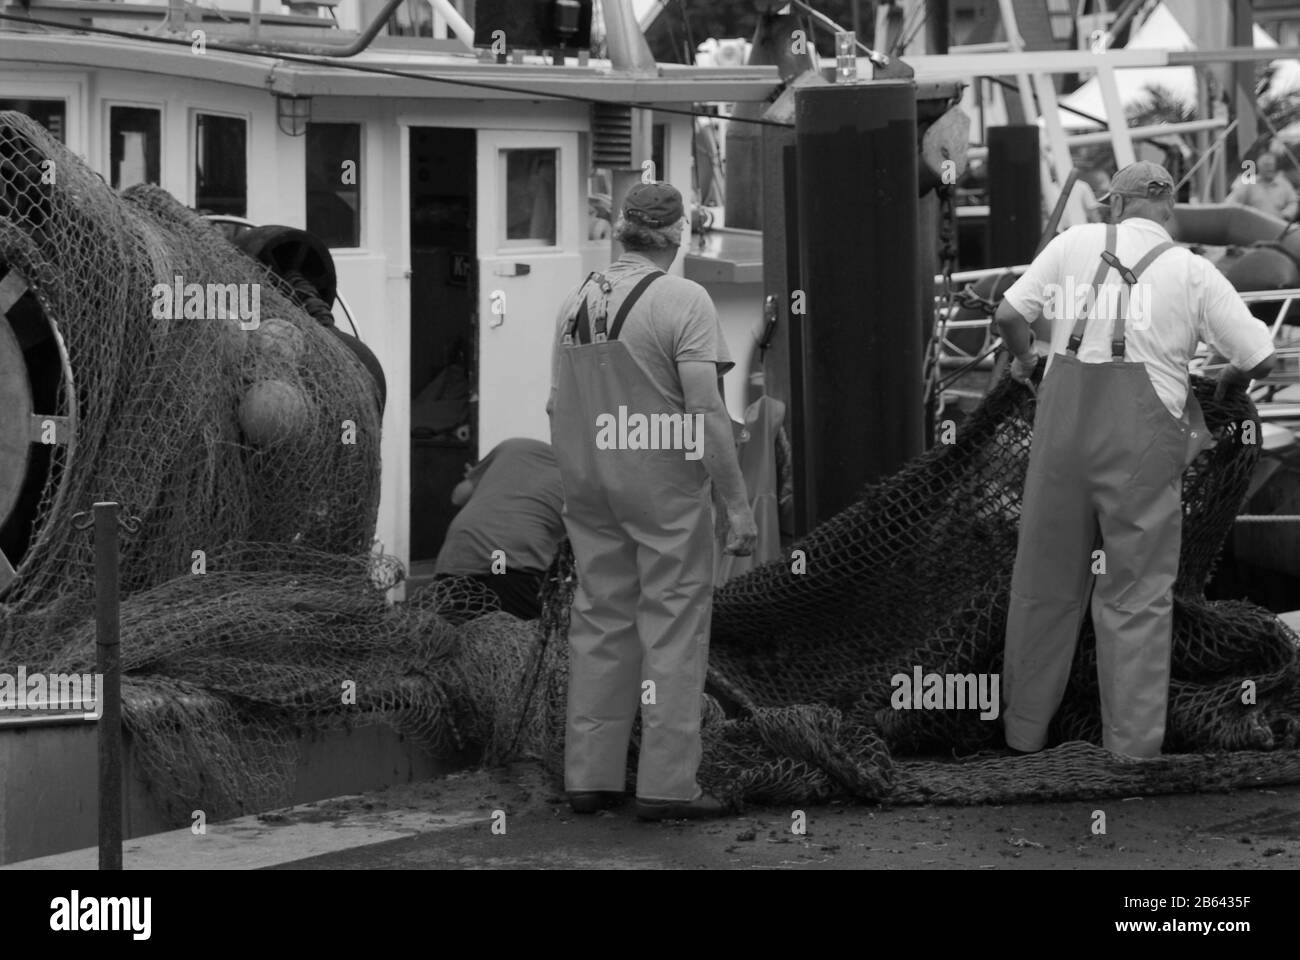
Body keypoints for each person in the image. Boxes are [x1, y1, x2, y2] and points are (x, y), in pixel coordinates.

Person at [995, 161, 1276, 759]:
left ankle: (1023, 736)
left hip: (1062, 444)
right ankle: (1131, 752)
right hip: (1141, 457)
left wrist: (1025, 362)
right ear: (1168, 212)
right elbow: (1261, 359)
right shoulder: (1194, 273)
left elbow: (1008, 317)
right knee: (1135, 597)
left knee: (1043, 586)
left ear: (1117, 206)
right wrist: (1227, 373)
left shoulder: (1072, 243)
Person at [548, 181, 757, 820]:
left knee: (602, 621)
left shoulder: (573, 301)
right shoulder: (683, 300)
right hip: (659, 486)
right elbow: (705, 410)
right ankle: (668, 787)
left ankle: (590, 777)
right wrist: (738, 505)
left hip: (588, 482)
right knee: (671, 627)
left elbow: (558, 404)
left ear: (620, 231)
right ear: (677, 236)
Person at [432, 437, 565, 620]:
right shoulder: (583, 478)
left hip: (459, 553)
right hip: (502, 559)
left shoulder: (514, 446)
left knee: (457, 638)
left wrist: (483, 479)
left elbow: (459, 496)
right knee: (515, 637)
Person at [1227, 151, 1298, 221]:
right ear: (1259, 167)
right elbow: (1232, 201)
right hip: (1253, 225)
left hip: (1277, 225)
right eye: (1266, 165)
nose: (1269, 168)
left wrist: (1286, 214)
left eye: (1271, 164)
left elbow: (1293, 202)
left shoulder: (1284, 184)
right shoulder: (1248, 183)